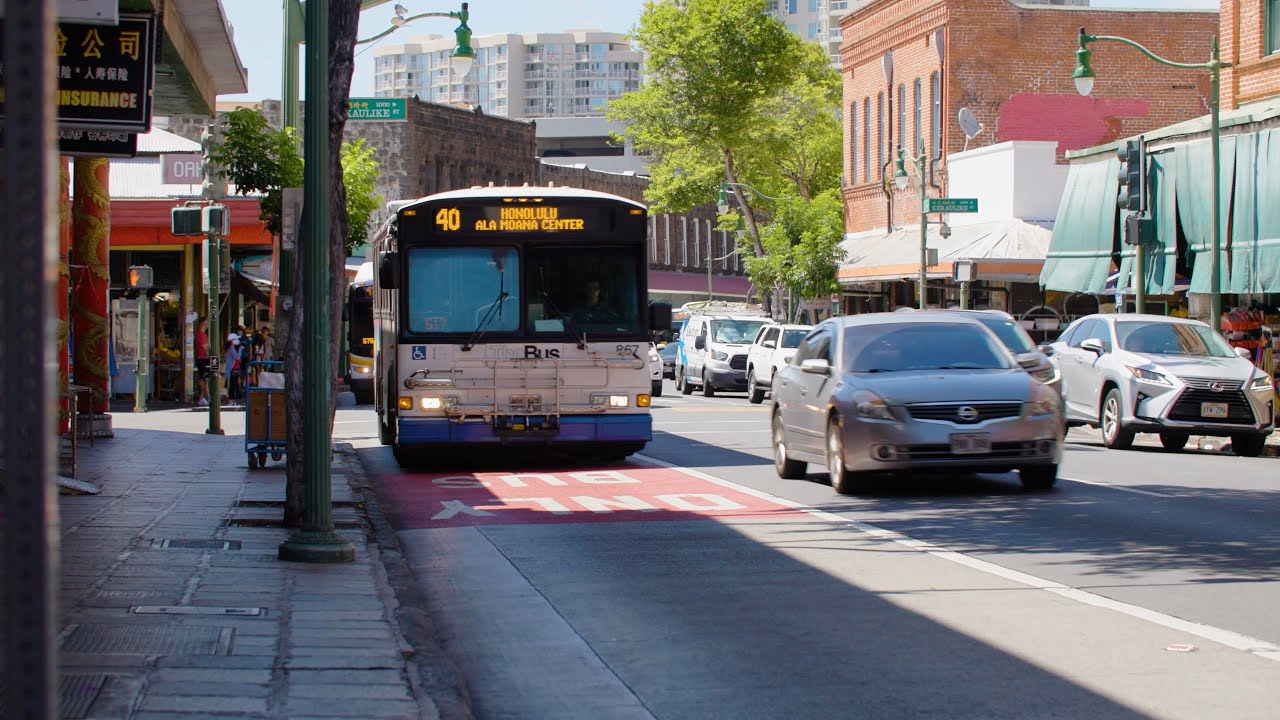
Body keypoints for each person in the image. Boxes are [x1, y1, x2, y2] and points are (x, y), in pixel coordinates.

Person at [194, 316, 210, 406]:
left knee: (204, 378)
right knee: (203, 379)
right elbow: (205, 347)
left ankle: (204, 396)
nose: (207, 325)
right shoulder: (201, 335)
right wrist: (208, 356)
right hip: (202, 359)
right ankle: (202, 397)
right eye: (206, 323)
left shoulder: (201, 334)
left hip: (202, 358)